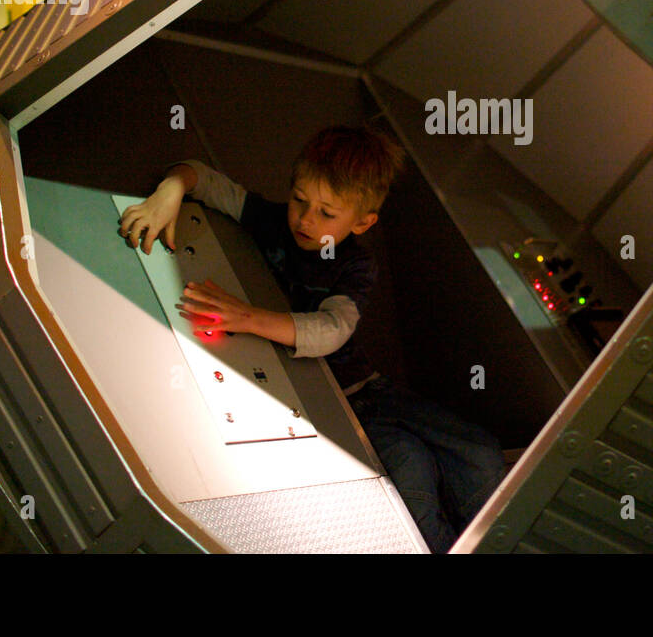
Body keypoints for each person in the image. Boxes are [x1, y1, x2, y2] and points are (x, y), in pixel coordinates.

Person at [116, 124, 507, 553]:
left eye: (326, 213)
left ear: (362, 222)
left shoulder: (356, 266)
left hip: (371, 387)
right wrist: (169, 191)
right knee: (412, 469)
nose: (305, 219)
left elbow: (331, 330)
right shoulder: (268, 220)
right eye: (300, 200)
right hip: (337, 403)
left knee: (480, 452)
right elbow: (203, 178)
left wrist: (247, 317)